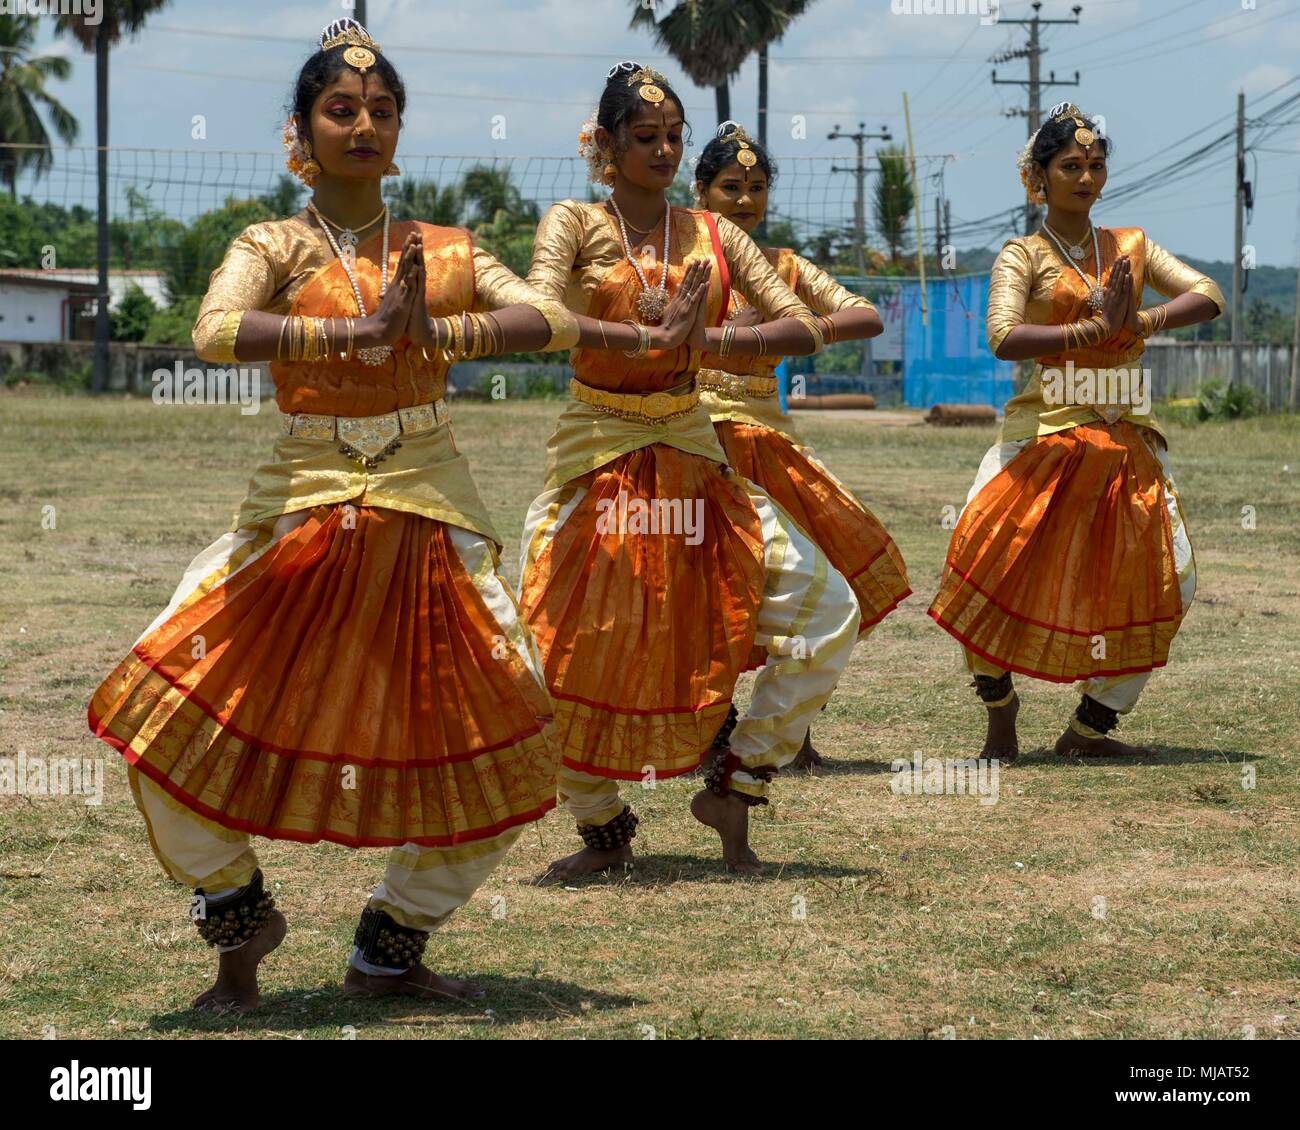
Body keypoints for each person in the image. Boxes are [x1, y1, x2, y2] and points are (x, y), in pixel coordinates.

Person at [87, 19, 617, 1013]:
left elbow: (549, 318)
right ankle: (235, 910)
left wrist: (434, 326)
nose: (362, 122)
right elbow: (211, 330)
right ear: (302, 130)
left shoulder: (443, 248)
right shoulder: (273, 242)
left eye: (381, 109)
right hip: (301, 504)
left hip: (428, 502)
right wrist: (347, 331)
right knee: (164, 722)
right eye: (340, 108)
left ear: (400, 130)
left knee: (521, 727)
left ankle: (392, 940)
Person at [519, 62, 860, 880]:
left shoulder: (714, 234)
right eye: (646, 137)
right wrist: (639, 339)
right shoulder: (572, 223)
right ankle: (603, 827)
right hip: (598, 452)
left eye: (674, 135)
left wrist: (706, 344)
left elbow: (805, 324)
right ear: (603, 145)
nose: (666, 149)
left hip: (694, 453)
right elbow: (538, 317)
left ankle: (737, 783)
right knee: (542, 654)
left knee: (826, 611)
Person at [928, 103, 1223, 759]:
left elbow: (1208, 291)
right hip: (1042, 430)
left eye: (1095, 166)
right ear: (1037, 179)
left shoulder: (1131, 248)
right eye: (1070, 166)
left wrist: (1140, 322)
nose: (1086, 177)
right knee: (982, 565)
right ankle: (1000, 712)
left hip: (1124, 437)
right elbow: (1003, 336)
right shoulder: (1024, 255)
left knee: (1172, 575)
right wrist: (1090, 329)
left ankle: (1091, 727)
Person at [693, 121, 911, 768]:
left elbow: (865, 315)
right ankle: (715, 725)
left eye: (757, 187)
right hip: (694, 439)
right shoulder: (678, 262)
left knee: (804, 586)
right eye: (730, 186)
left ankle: (794, 732)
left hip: (768, 442)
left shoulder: (783, 267)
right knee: (709, 589)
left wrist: (790, 329)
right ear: (700, 189)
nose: (745, 200)